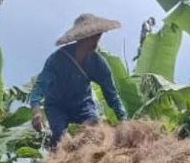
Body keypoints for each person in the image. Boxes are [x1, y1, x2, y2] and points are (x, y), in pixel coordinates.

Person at [29, 13, 127, 145]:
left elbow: (112, 96)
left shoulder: (99, 65)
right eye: (91, 37)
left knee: (94, 132)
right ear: (80, 38)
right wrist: (36, 112)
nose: (96, 40)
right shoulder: (57, 59)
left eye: (98, 35)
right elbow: (40, 87)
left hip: (83, 106)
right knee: (62, 139)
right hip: (57, 106)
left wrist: (124, 121)